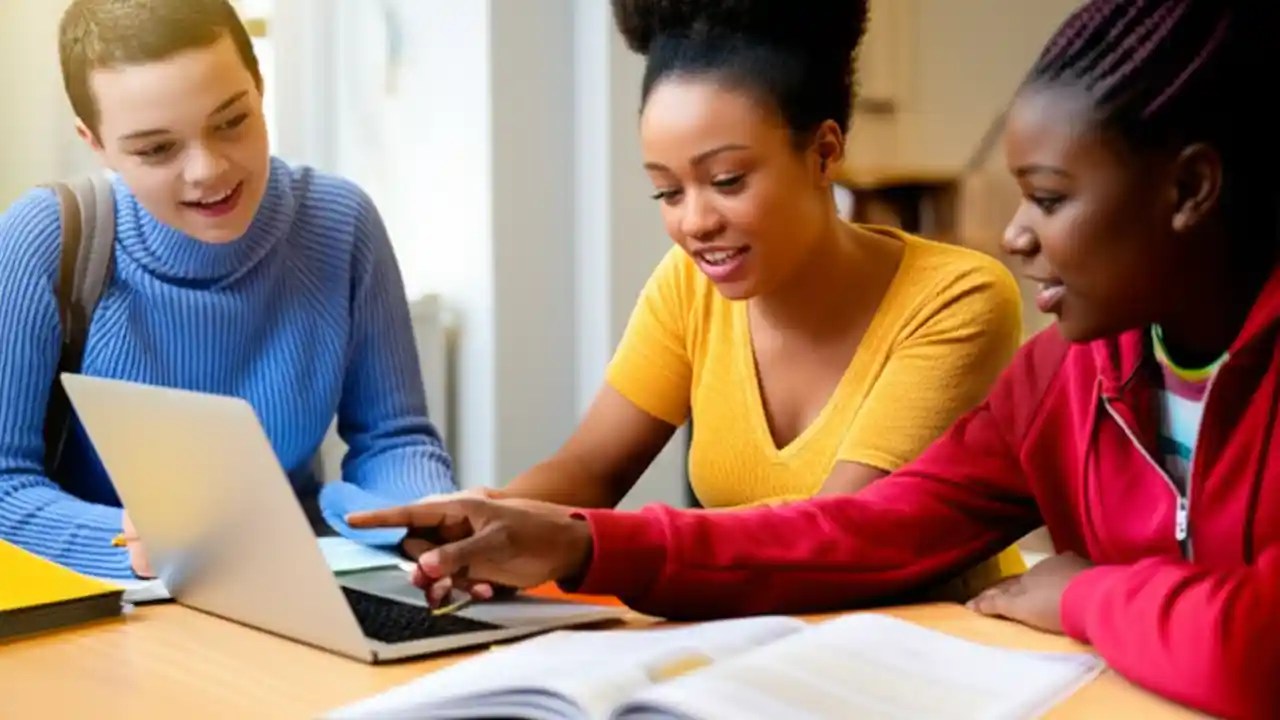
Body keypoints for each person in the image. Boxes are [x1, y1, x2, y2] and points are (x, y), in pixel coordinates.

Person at [351, 0, 1280, 716]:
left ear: (1190, 189)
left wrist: (1089, 595)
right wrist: (586, 540)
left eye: (1047, 197)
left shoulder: (977, 309)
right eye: (665, 191)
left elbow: (1252, 650)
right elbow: (865, 532)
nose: (1015, 234)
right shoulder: (1070, 379)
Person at [488, 0, 1026, 591]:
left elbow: (840, 533)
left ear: (823, 153)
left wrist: (593, 542)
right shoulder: (687, 286)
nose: (695, 222)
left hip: (928, 652)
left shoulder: (958, 298)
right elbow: (590, 468)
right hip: (755, 640)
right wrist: (486, 520)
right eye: (666, 192)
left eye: (727, 181)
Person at [0, 0, 454, 579]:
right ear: (96, 142)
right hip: (104, 610)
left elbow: (393, 437)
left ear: (259, 85)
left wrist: (419, 518)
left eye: (232, 121)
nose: (208, 170)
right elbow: (4, 485)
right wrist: (132, 545)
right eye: (157, 149)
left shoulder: (340, 224)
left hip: (281, 587)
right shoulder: (44, 239)